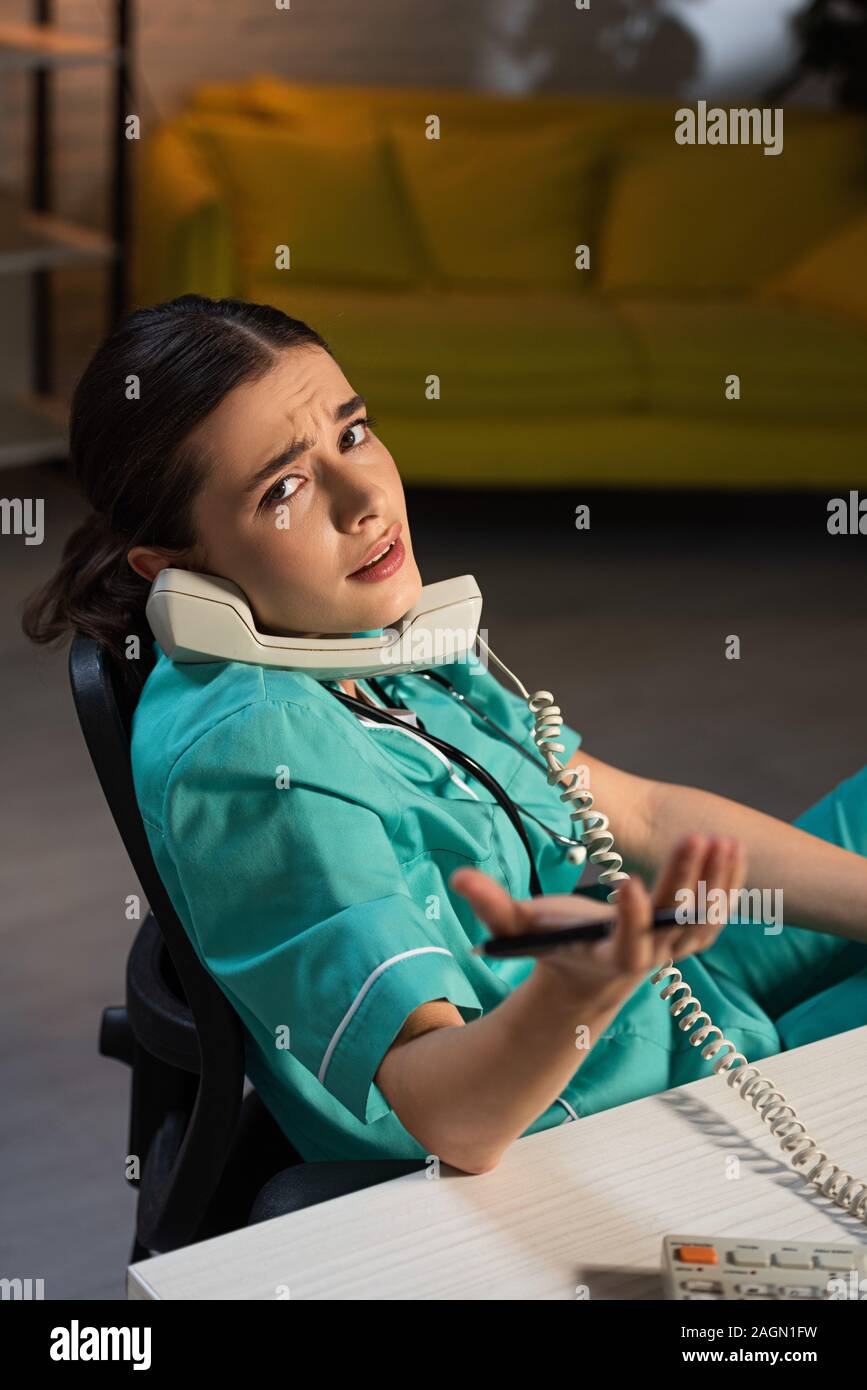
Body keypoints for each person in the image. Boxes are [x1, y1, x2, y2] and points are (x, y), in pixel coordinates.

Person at [23, 295, 867, 1174]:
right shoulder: (256, 757)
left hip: (663, 989)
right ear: (177, 570)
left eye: (351, 434)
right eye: (284, 489)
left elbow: (643, 818)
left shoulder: (358, 635)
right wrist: (580, 987)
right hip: (598, 1099)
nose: (366, 500)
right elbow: (451, 1119)